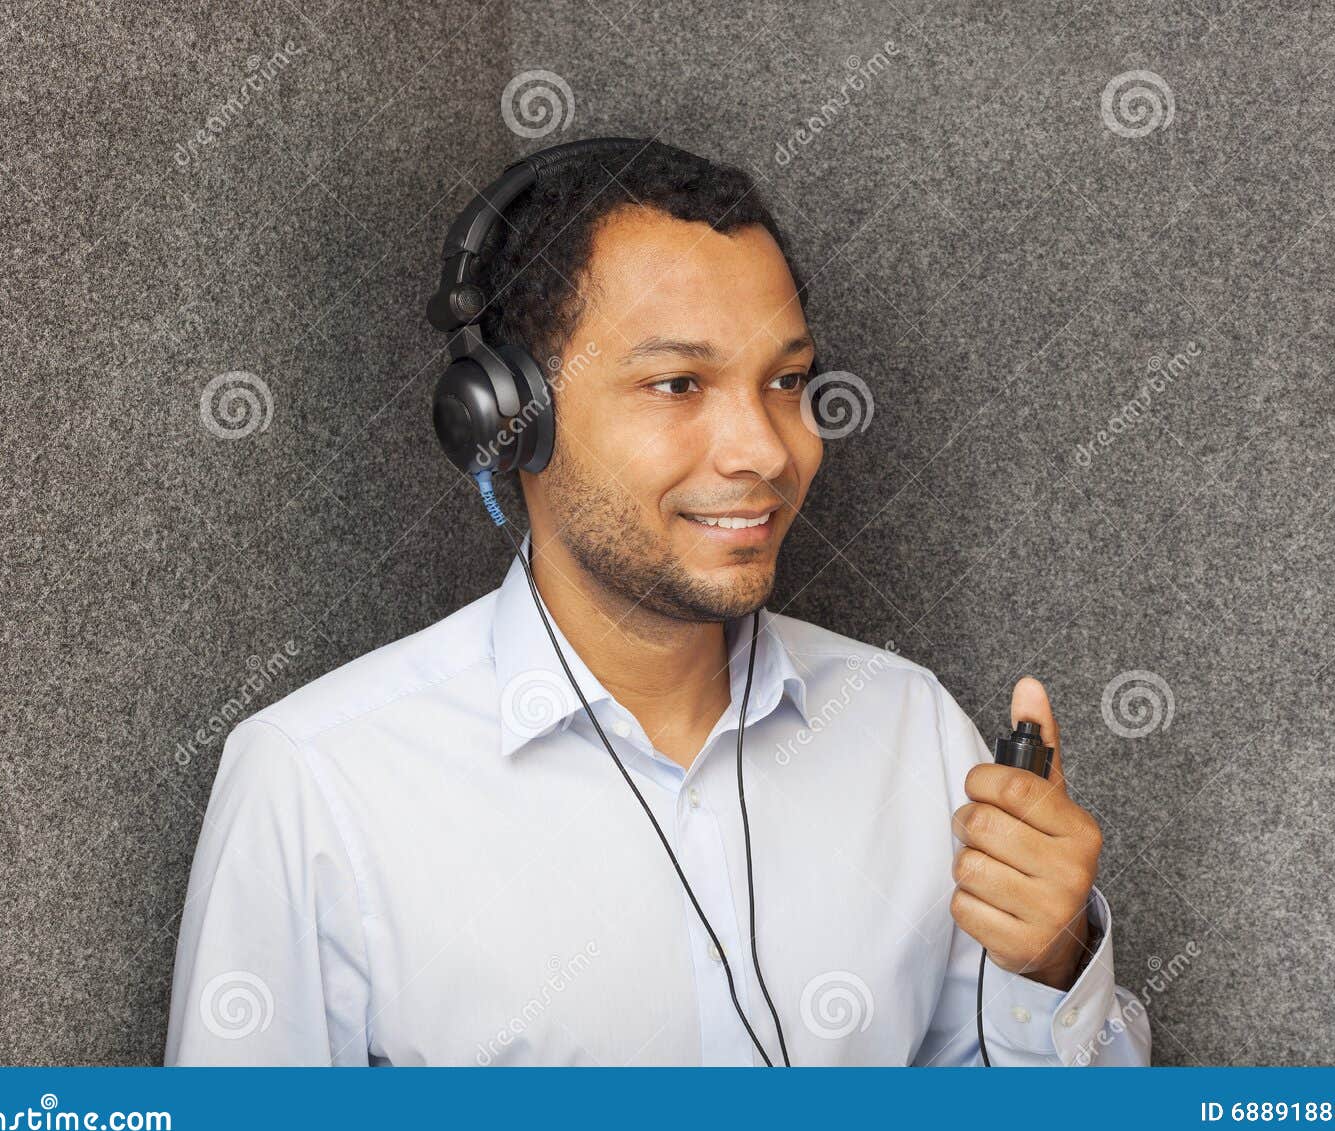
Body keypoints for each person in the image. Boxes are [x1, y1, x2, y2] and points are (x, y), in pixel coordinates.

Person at [164, 137, 1151, 1067]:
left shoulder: (910, 727)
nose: (765, 450)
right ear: (512, 419)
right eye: (680, 382)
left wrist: (1049, 965)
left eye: (787, 380)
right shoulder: (315, 779)